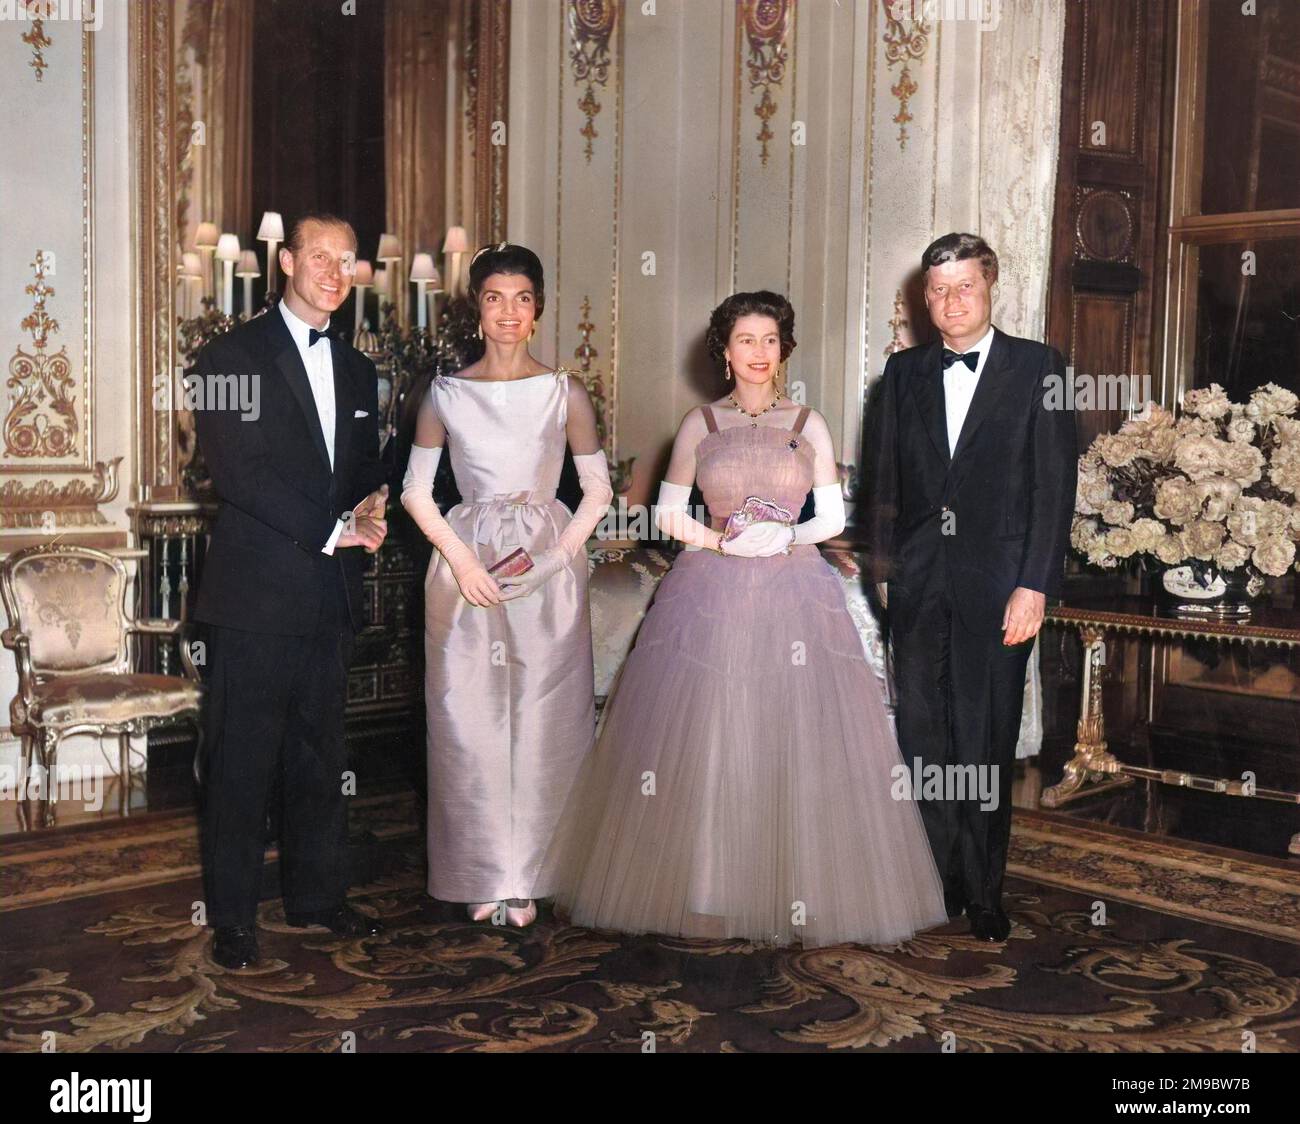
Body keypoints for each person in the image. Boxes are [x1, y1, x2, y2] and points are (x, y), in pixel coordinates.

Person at [542, 291, 947, 947]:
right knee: (713, 730)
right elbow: (669, 514)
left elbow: (835, 518)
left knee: (791, 731)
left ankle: (796, 886)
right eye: (744, 340)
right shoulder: (700, 424)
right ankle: (709, 886)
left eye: (768, 340)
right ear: (724, 352)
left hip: (796, 593)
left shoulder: (808, 422)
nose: (757, 353)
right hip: (710, 590)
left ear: (783, 348)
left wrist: (782, 538)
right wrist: (723, 542)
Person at [862, 233, 1077, 941]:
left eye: (965, 287)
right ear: (923, 300)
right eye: (938, 290)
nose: (951, 302)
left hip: (1000, 588)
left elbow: (1054, 490)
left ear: (990, 291)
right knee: (924, 738)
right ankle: (936, 882)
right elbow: (884, 487)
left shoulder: (1040, 367)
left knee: (984, 740)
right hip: (919, 585)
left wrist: (1035, 586)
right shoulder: (901, 375)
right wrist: (886, 572)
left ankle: (985, 892)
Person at [193, 212, 390, 971]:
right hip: (255, 597)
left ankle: (317, 896)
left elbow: (365, 465)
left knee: (319, 753)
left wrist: (371, 507)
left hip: (328, 594)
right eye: (320, 256)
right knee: (242, 760)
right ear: (285, 261)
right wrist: (332, 528)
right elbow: (240, 476)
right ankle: (235, 920)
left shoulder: (360, 370)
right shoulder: (229, 357)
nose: (335, 272)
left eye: (348, 260)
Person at [401, 243, 612, 929]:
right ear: (477, 307)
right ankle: (483, 872)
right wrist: (462, 563)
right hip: (465, 569)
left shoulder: (564, 392)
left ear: (538, 307)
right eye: (495, 298)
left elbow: (599, 492)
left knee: (545, 722)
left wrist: (554, 560)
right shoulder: (444, 394)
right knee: (469, 722)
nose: (509, 313)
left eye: (522, 299)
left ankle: (532, 876)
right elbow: (414, 493)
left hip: (546, 569)